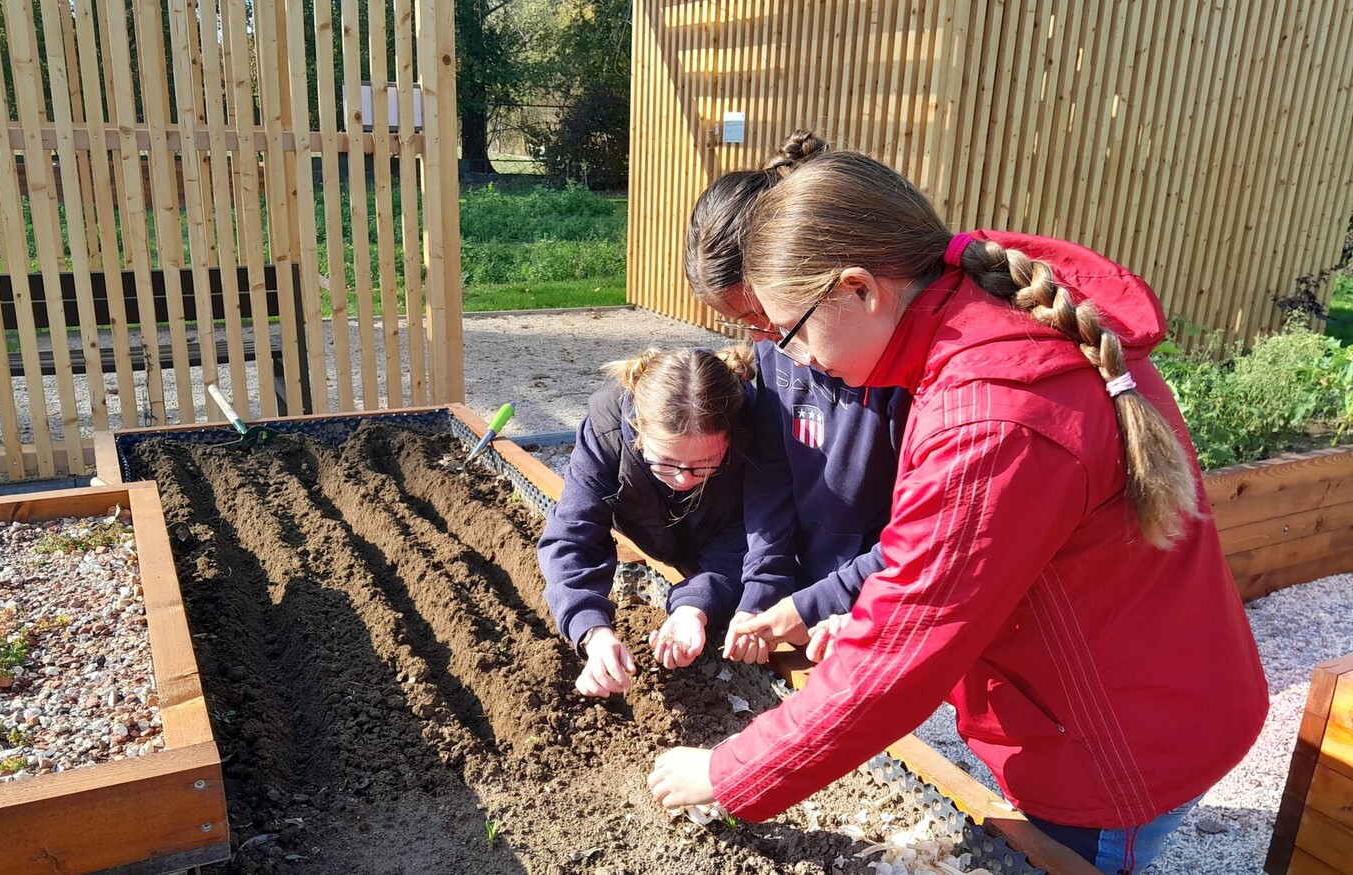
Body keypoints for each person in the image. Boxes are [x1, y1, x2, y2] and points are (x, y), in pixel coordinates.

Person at [647, 150, 1268, 875]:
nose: (800, 361)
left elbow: (892, 669)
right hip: (1142, 691)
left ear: (857, 289)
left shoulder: (988, 416)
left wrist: (726, 774)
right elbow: (984, 553)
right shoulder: (983, 315)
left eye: (789, 332)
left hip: (1114, 751)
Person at [684, 132, 909, 665]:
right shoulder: (775, 351)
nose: (770, 340)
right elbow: (770, 473)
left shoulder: (887, 366)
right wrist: (763, 590)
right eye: (743, 324)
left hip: (876, 591)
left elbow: (916, 532)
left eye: (768, 318)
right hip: (815, 591)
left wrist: (833, 603)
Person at [539, 345, 756, 698]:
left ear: (730, 439)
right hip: (654, 533)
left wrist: (694, 606)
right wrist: (592, 631)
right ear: (638, 431)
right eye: (666, 462)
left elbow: (748, 538)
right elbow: (573, 537)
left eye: (704, 465)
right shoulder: (607, 432)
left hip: (717, 542)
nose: (684, 479)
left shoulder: (753, 431)